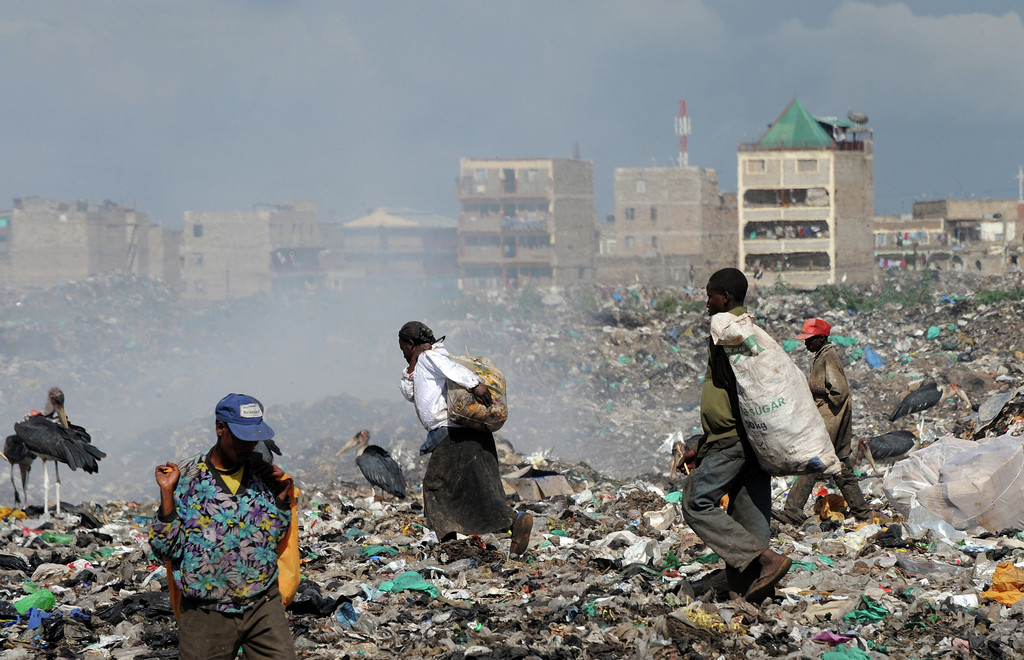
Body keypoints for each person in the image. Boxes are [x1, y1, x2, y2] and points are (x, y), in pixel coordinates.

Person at [149, 393, 299, 660]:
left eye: (254, 437)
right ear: (220, 428)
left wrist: (282, 499)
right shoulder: (187, 479)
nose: (249, 445)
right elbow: (166, 551)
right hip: (206, 612)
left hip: (262, 605)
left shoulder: (264, 476)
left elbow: (273, 538)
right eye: (242, 437)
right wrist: (167, 495)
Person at [679, 268, 791, 603]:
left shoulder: (728, 334)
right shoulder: (748, 333)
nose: (707, 303)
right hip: (752, 440)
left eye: (710, 296)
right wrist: (703, 444)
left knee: (696, 502)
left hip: (732, 440)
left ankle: (767, 560)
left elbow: (740, 394)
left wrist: (715, 442)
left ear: (725, 297)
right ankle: (751, 594)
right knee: (749, 517)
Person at [398, 321, 532, 556]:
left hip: (453, 435)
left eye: (403, 348)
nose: (403, 353)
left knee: (435, 486)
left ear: (411, 343)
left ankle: (449, 542)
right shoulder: (424, 363)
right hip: (471, 434)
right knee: (479, 486)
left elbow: (451, 369)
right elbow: (410, 393)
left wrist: (476, 385)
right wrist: (411, 365)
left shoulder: (430, 357)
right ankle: (514, 522)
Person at [780, 319, 873, 524]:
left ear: (821, 338)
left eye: (810, 339)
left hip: (831, 418)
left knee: (814, 462)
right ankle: (863, 512)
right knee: (841, 466)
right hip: (831, 418)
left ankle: (792, 510)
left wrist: (810, 388)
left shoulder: (828, 357)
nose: (806, 344)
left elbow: (839, 391)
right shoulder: (821, 355)